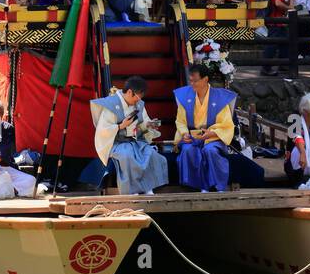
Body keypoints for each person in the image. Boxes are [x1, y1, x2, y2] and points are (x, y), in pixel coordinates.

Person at [91, 76, 169, 196]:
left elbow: (142, 125)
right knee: (127, 155)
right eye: (137, 97)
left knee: (151, 153)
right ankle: (132, 190)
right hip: (117, 142)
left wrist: (148, 125)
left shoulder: (139, 105)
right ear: (129, 92)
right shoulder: (112, 104)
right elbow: (103, 130)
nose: (138, 101)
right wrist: (121, 126)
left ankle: (148, 187)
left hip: (135, 141)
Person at [173, 63, 237, 193]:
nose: (192, 84)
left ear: (205, 79)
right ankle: (198, 186)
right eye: (190, 80)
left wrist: (211, 133)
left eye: (195, 81)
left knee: (210, 151)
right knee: (188, 150)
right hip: (192, 136)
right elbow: (180, 121)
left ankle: (217, 186)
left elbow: (226, 124)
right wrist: (184, 133)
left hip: (212, 137)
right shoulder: (185, 96)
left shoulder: (219, 98)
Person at [0, 101, 35, 198]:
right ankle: (2, 189)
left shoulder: (7, 128)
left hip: (5, 168)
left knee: (31, 180)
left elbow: (4, 152)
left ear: (1, 115)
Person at [261, 0, 289, 74]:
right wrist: (289, 7)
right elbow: (277, 3)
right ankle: (266, 68)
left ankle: (283, 65)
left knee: (285, 43)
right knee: (272, 45)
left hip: (277, 21)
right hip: (276, 21)